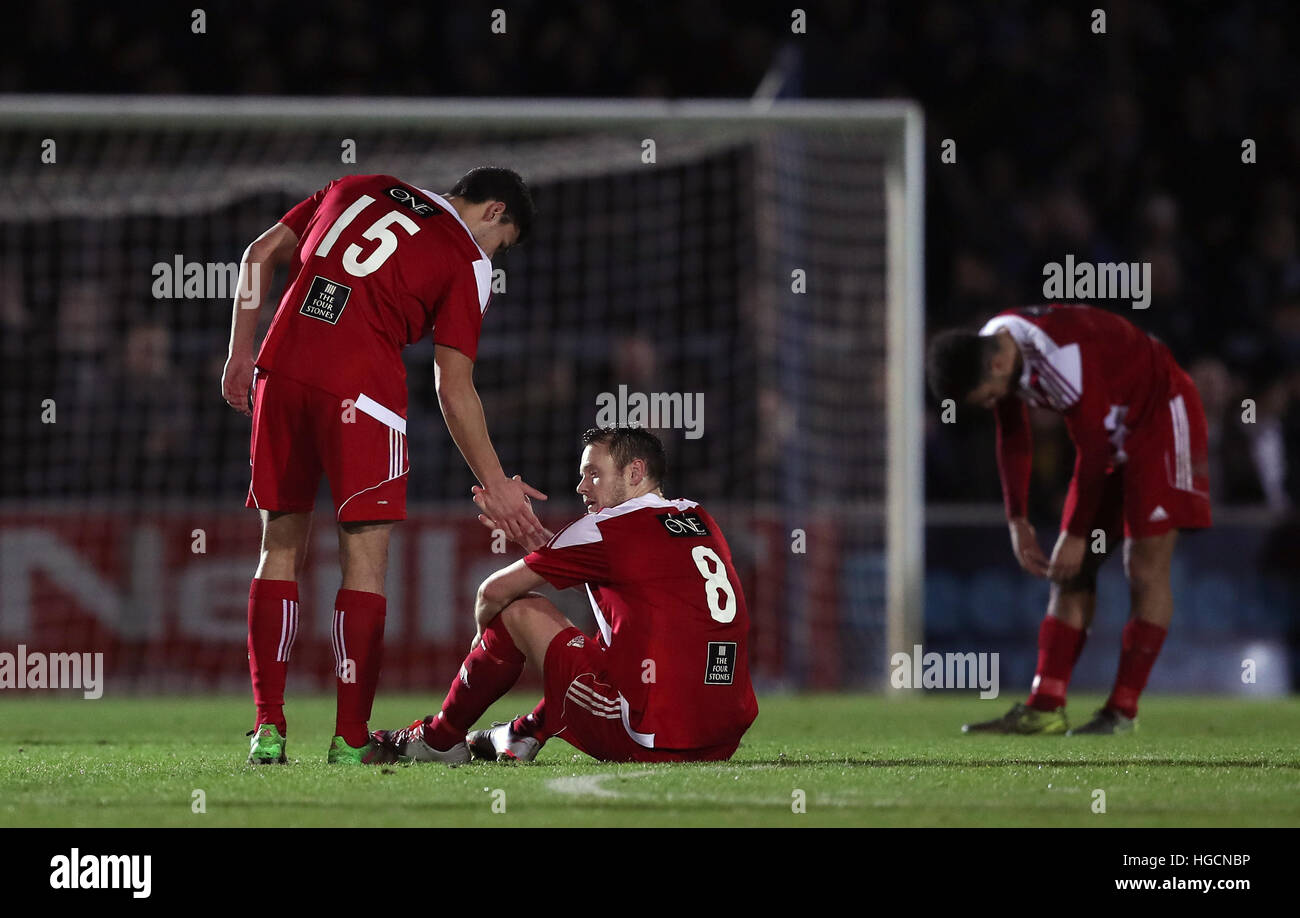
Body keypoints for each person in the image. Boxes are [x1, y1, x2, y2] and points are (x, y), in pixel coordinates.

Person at [220, 168, 549, 764]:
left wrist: (240, 351)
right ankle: (349, 740)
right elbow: (453, 386)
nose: (492, 257)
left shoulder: (357, 185)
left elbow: (257, 254)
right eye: (499, 245)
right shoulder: (468, 263)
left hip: (281, 367)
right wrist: (495, 482)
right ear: (494, 211)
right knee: (365, 561)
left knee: (279, 547)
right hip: (362, 395)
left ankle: (268, 730)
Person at [368, 426, 759, 764]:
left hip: (644, 737)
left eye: (593, 474)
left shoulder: (605, 527)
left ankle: (439, 738)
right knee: (615, 646)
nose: (581, 486)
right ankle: (524, 733)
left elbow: (492, 591)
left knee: (520, 612)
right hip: (721, 737)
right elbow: (627, 580)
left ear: (635, 471)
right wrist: (541, 544)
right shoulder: (696, 516)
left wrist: (486, 643)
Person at [927, 303, 1212, 734]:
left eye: (987, 395)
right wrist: (1017, 520)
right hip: (1111, 432)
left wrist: (1076, 533)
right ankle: (1046, 707)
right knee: (1069, 574)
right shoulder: (997, 342)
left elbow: (1093, 452)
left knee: (1143, 565)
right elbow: (1013, 434)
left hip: (1158, 416)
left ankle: (1121, 712)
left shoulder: (1059, 358)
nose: (991, 404)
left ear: (999, 363)